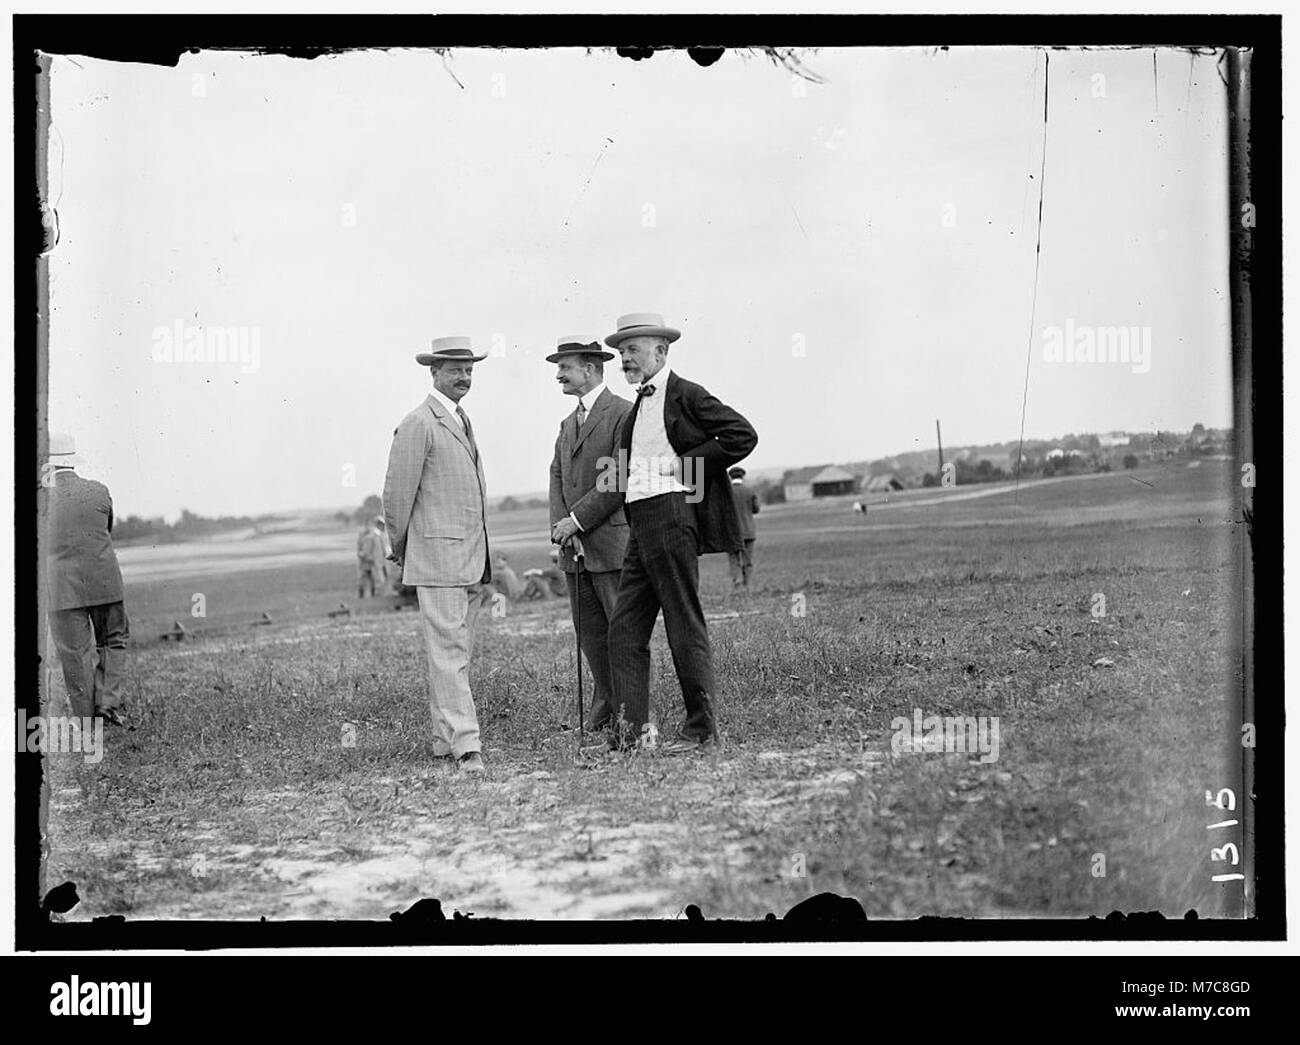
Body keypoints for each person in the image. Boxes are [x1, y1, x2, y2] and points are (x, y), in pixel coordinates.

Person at [603, 313, 758, 754]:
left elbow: (742, 435)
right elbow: (622, 473)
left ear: (662, 352)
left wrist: (687, 465)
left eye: (633, 349)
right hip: (640, 522)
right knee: (624, 630)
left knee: (681, 623)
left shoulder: (687, 393)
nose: (625, 359)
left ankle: (701, 731)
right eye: (621, 352)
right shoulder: (638, 407)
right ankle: (630, 734)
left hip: (672, 517)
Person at [383, 336, 491, 776]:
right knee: (449, 652)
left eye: (469, 369)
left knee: (454, 651)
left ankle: (444, 741)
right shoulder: (418, 423)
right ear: (434, 373)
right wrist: (403, 547)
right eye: (454, 370)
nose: (464, 377)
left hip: (470, 556)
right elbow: (396, 494)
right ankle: (468, 747)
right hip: (438, 559)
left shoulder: (462, 420)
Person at [547, 335, 633, 733]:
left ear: (592, 369)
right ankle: (605, 701)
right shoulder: (567, 423)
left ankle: (630, 709)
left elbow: (620, 477)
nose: (559, 375)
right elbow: (557, 477)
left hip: (612, 545)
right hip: (575, 548)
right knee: (591, 634)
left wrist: (577, 521)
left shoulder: (623, 414)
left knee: (621, 629)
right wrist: (565, 530)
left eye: (565, 367)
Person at [43, 433, 129, 726]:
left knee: (74, 654)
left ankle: (84, 718)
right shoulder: (99, 491)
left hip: (62, 590)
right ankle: (107, 703)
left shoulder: (41, 499)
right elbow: (107, 529)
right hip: (106, 582)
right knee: (113, 640)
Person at [727, 466, 760, 589]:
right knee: (748, 560)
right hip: (748, 530)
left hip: (732, 532)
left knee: (734, 559)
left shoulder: (727, 491)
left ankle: (737, 581)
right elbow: (756, 509)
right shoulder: (750, 491)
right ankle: (748, 584)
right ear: (742, 476)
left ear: (730, 477)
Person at [356, 515, 388, 598]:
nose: (384, 527)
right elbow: (365, 553)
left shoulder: (380, 536)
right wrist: (372, 560)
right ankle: (376, 604)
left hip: (380, 564)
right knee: (378, 583)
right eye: (382, 524)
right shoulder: (371, 537)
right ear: (378, 524)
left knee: (380, 583)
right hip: (374, 565)